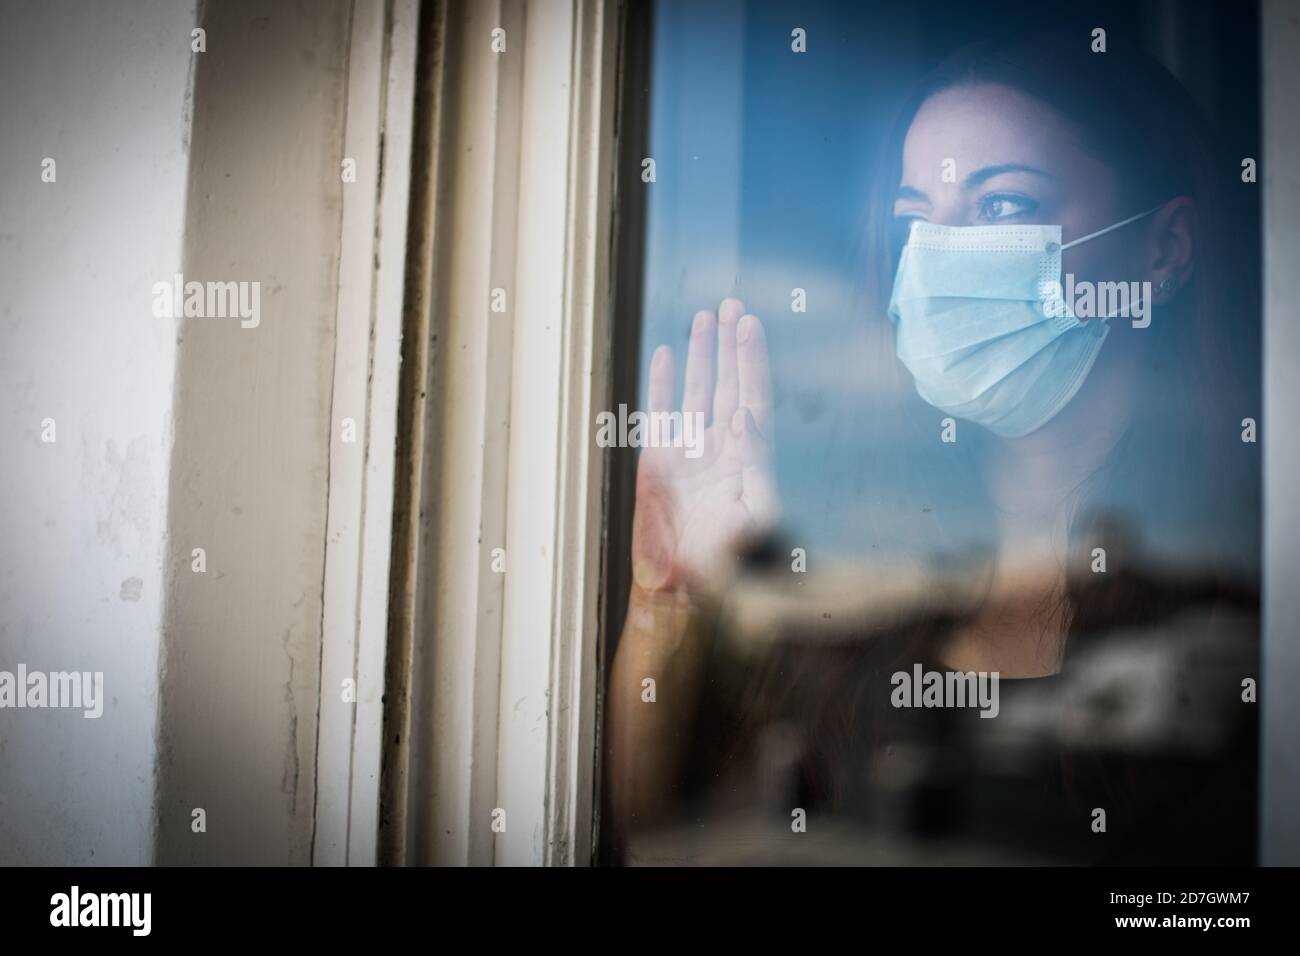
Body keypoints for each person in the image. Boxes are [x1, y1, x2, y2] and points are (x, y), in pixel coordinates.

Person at [604, 31, 1259, 865]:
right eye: (916, 217)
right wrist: (676, 601)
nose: (940, 257)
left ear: (1161, 249)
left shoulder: (1240, 582)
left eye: (1005, 206)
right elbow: (658, 832)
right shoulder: (868, 572)